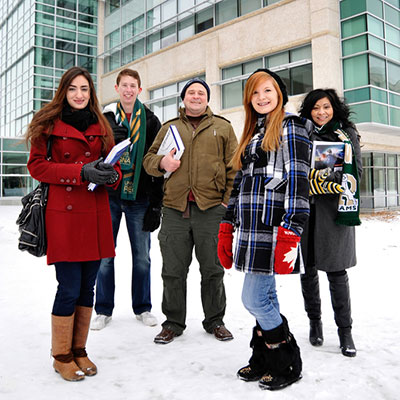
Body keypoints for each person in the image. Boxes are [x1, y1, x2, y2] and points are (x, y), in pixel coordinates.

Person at [217, 69, 312, 391]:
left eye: (268, 91)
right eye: (255, 93)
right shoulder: (253, 132)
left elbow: (299, 178)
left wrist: (293, 225)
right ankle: (265, 360)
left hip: (273, 227)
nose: (261, 98)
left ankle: (286, 360)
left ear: (280, 93)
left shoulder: (291, 126)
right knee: (265, 296)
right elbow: (240, 183)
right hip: (249, 226)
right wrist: (227, 224)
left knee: (254, 299)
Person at [26, 66, 121, 381]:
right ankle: (61, 355)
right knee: (68, 286)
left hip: (95, 214)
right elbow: (37, 167)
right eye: (73, 89)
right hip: (64, 216)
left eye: (85, 89)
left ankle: (79, 350)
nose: (79, 94)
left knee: (88, 287)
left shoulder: (101, 125)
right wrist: (81, 172)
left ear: (91, 93)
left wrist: (111, 175)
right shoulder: (48, 124)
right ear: (63, 91)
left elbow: (114, 166)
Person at [143, 78, 238, 344]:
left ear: (207, 98)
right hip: (175, 210)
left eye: (201, 93)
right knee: (173, 271)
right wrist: (162, 162)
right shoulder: (169, 128)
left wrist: (226, 203)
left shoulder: (223, 127)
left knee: (213, 270)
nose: (196, 96)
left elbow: (234, 169)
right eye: (191, 93)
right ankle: (173, 323)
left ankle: (215, 321)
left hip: (212, 210)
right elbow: (148, 161)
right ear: (183, 99)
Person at [91, 69, 163, 330]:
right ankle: (103, 309)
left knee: (142, 256)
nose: (129, 90)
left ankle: (143, 307)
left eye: (133, 86)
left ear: (139, 90)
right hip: (109, 195)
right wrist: (110, 142)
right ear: (117, 88)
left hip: (140, 197)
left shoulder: (152, 120)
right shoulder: (105, 119)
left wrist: (156, 204)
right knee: (105, 256)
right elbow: (94, 153)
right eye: (125, 86)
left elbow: (157, 163)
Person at [298, 88, 362, 357]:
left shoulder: (347, 134)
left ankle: (345, 331)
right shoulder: (302, 132)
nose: (321, 112)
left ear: (334, 107)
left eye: (326, 106)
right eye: (315, 108)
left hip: (334, 213)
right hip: (305, 212)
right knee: (307, 270)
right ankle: (315, 322)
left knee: (337, 272)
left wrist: (325, 182)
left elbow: (356, 171)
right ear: (308, 111)